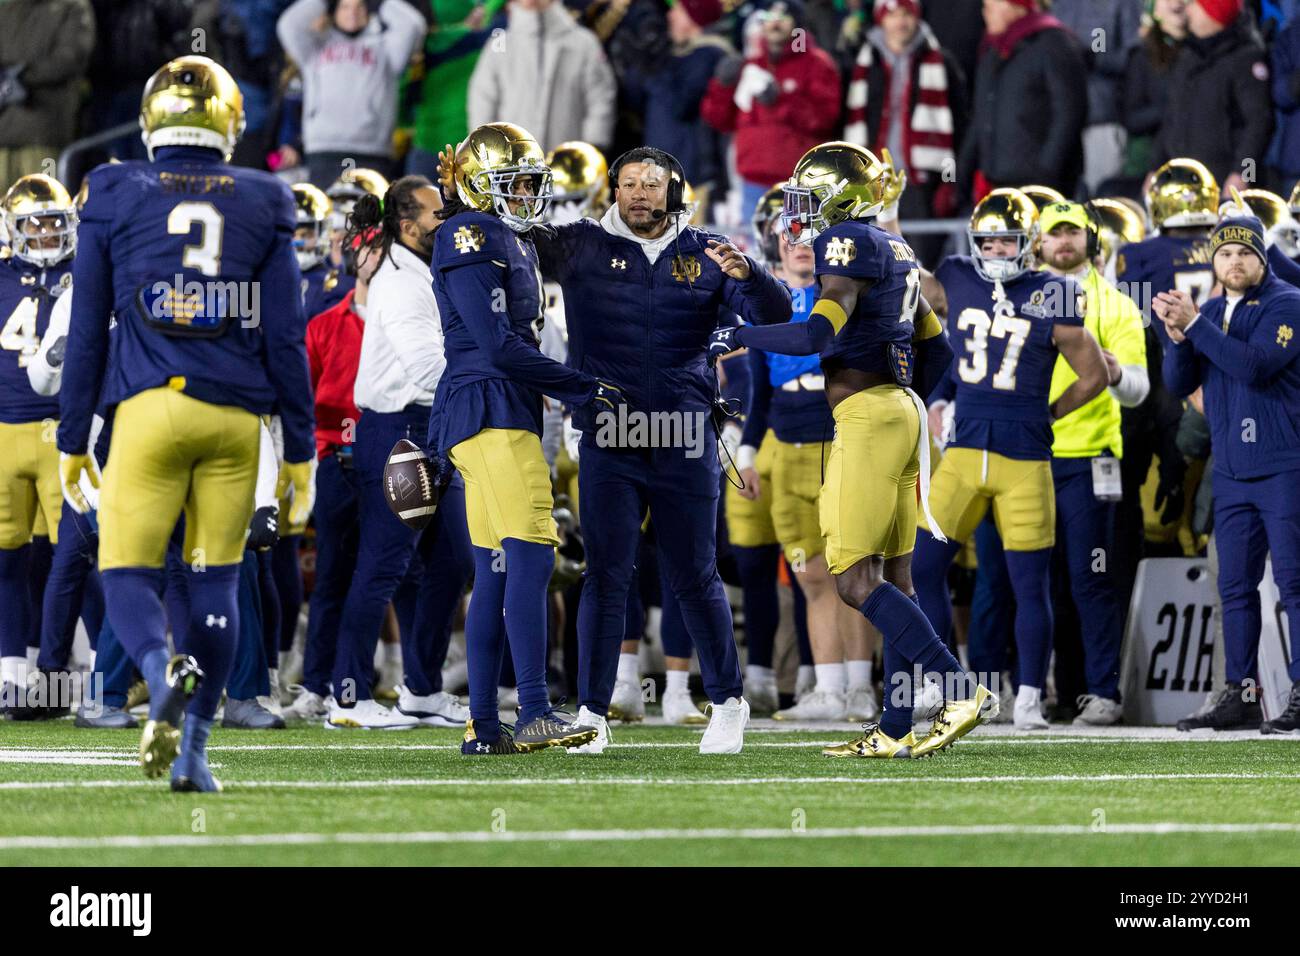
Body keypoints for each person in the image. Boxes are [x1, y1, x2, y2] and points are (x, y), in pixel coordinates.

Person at [57, 56, 316, 792]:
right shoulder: (265, 196)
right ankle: (196, 752)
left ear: (149, 120)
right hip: (236, 420)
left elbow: (88, 332)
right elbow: (286, 337)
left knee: (130, 573)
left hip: (148, 408)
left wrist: (74, 436)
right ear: (231, 123)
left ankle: (155, 671)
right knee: (217, 588)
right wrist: (298, 450)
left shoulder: (112, 186)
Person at [709, 141, 995, 759]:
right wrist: (898, 397)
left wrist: (736, 333)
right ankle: (894, 726)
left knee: (851, 579)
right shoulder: (897, 246)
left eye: (812, 195)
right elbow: (938, 349)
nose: (803, 210)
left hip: (868, 418)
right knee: (896, 576)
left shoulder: (849, 244)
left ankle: (958, 687)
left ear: (840, 196)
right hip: (901, 413)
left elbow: (816, 332)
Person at [519, 145, 792, 754]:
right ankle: (592, 712)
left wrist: (754, 274)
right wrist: (468, 192)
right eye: (631, 182)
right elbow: (505, 233)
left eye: (654, 183)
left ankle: (726, 701)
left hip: (684, 432)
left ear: (675, 189)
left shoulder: (708, 251)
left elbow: (774, 317)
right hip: (611, 434)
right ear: (613, 189)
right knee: (606, 575)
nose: (642, 192)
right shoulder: (578, 243)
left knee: (694, 574)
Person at [432, 122, 611, 755]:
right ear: (481, 185)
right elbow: (497, 344)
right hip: (490, 404)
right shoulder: (468, 232)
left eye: (533, 183)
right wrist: (579, 385)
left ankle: (484, 725)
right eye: (516, 183)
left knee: (497, 567)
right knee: (532, 554)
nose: (528, 194)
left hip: (491, 408)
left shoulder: (506, 235)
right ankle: (533, 708)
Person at [910, 188, 1109, 730]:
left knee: (1029, 584)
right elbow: (903, 278)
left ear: (1030, 244)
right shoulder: (954, 273)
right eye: (988, 239)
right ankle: (945, 680)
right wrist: (884, 217)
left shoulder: (1055, 292)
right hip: (963, 453)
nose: (996, 249)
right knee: (922, 565)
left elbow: (1097, 374)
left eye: (1006, 239)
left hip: (1024, 457)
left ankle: (1027, 696)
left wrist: (1050, 413)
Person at [326, 175, 471, 730]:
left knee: (451, 560)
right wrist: (487, 387)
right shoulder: (402, 282)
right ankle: (347, 696)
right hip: (402, 431)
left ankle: (422, 689)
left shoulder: (422, 269)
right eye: (438, 213)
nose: (447, 220)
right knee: (385, 565)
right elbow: (427, 368)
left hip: (430, 426)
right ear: (408, 226)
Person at [739, 188, 877, 723]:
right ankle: (829, 686)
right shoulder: (767, 301)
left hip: (840, 440)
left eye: (811, 232)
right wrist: (748, 452)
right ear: (775, 240)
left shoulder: (843, 294)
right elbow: (759, 393)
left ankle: (862, 685)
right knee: (813, 576)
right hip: (788, 448)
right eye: (791, 232)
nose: (801, 243)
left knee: (856, 568)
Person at [1159, 214, 1300, 733]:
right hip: (1234, 471)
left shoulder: (1288, 302)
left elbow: (1255, 365)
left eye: (1244, 252)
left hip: (1285, 465)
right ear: (1213, 263)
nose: (1234, 261)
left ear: (1262, 258)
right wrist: (1177, 336)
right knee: (1235, 587)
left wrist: (1194, 325)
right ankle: (1241, 693)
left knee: (1294, 583)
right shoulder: (1212, 309)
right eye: (1225, 254)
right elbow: (1180, 381)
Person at [1037, 201, 1148, 724]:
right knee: (1032, 579)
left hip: (1089, 456)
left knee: (1090, 577)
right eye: (1053, 233)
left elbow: (1139, 392)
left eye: (1072, 233)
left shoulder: (1118, 305)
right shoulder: (1017, 297)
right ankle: (1039, 690)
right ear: (1037, 242)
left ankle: (1102, 691)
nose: (1063, 242)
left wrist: (1115, 371)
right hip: (1026, 456)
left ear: (1091, 241)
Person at [0, 174, 77, 717]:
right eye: (35, 222)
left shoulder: (84, 273)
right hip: (3, 429)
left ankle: (88, 675)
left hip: (61, 430)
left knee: (73, 557)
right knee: (8, 560)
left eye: (55, 221)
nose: (47, 231)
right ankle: (12, 675)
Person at [842, 0, 966, 261]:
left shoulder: (942, 61)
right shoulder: (863, 62)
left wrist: (949, 181)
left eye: (907, 14)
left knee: (920, 262)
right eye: (893, 15)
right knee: (871, 262)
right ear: (881, 20)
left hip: (921, 183)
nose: (901, 22)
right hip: (870, 182)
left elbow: (960, 127)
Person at [701, 0, 842, 224]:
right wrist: (721, 85)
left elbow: (825, 118)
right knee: (756, 255)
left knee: (801, 252)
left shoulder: (817, 63)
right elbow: (719, 119)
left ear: (797, 25)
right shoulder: (751, 64)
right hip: (753, 183)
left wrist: (782, 101)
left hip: (799, 183)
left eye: (782, 18)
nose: (774, 24)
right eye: (767, 18)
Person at [276, 0, 427, 187]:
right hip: (323, 149)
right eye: (345, 7)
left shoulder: (386, 48)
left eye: (359, 7)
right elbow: (288, 24)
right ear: (334, 11)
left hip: (373, 150)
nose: (352, 13)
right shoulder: (314, 47)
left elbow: (412, 25)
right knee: (326, 215)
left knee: (370, 214)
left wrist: (380, 3)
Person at [957, 0, 1088, 202]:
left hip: (1046, 185)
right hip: (997, 182)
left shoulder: (1054, 43)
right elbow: (981, 118)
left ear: (1014, 7)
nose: (985, 13)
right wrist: (960, 179)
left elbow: (1069, 114)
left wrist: (1046, 173)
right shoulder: (992, 51)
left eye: (991, 6)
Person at [1150, 0, 1272, 194]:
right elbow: (1171, 118)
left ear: (1213, 14)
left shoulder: (1244, 57)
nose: (1187, 10)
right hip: (1182, 182)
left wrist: (1243, 174)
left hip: (1224, 183)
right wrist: (1155, 168)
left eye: (1194, 5)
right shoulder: (1187, 56)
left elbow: (1258, 122)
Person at [466, 0, 616, 153]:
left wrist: (591, 150)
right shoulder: (499, 45)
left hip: (568, 161)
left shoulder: (583, 43)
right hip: (512, 166)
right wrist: (486, 150)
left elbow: (600, 99)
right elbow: (482, 100)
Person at [0, 0, 96, 188]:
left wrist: (17, 76)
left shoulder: (72, 7)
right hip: (6, 135)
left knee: (45, 204)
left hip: (44, 135)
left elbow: (70, 60)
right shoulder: (6, 10)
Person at [1121, 0, 1188, 189]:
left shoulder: (1201, 51)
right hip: (1149, 163)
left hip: (1195, 160)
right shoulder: (1142, 55)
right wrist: (1172, 109)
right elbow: (1132, 118)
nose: (1177, 3)